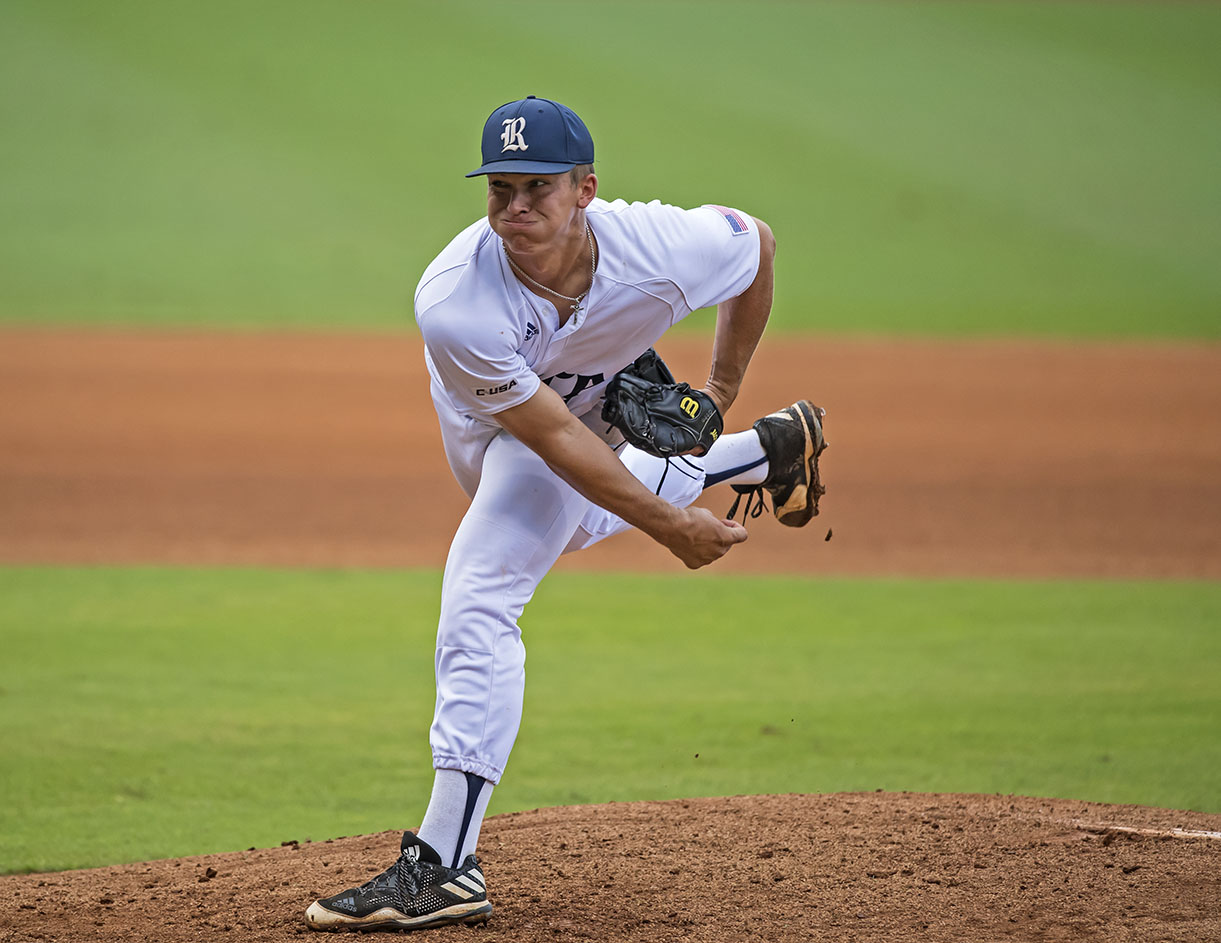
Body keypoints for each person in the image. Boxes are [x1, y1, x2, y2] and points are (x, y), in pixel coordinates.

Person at [305, 96, 825, 932]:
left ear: (584, 189)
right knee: (577, 517)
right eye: (499, 189)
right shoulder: (457, 301)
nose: (514, 208)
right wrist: (672, 524)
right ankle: (764, 453)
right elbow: (549, 436)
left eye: (535, 189)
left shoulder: (656, 245)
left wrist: (718, 395)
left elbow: (754, 245)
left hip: (573, 424)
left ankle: (444, 863)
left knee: (481, 592)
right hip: (510, 432)